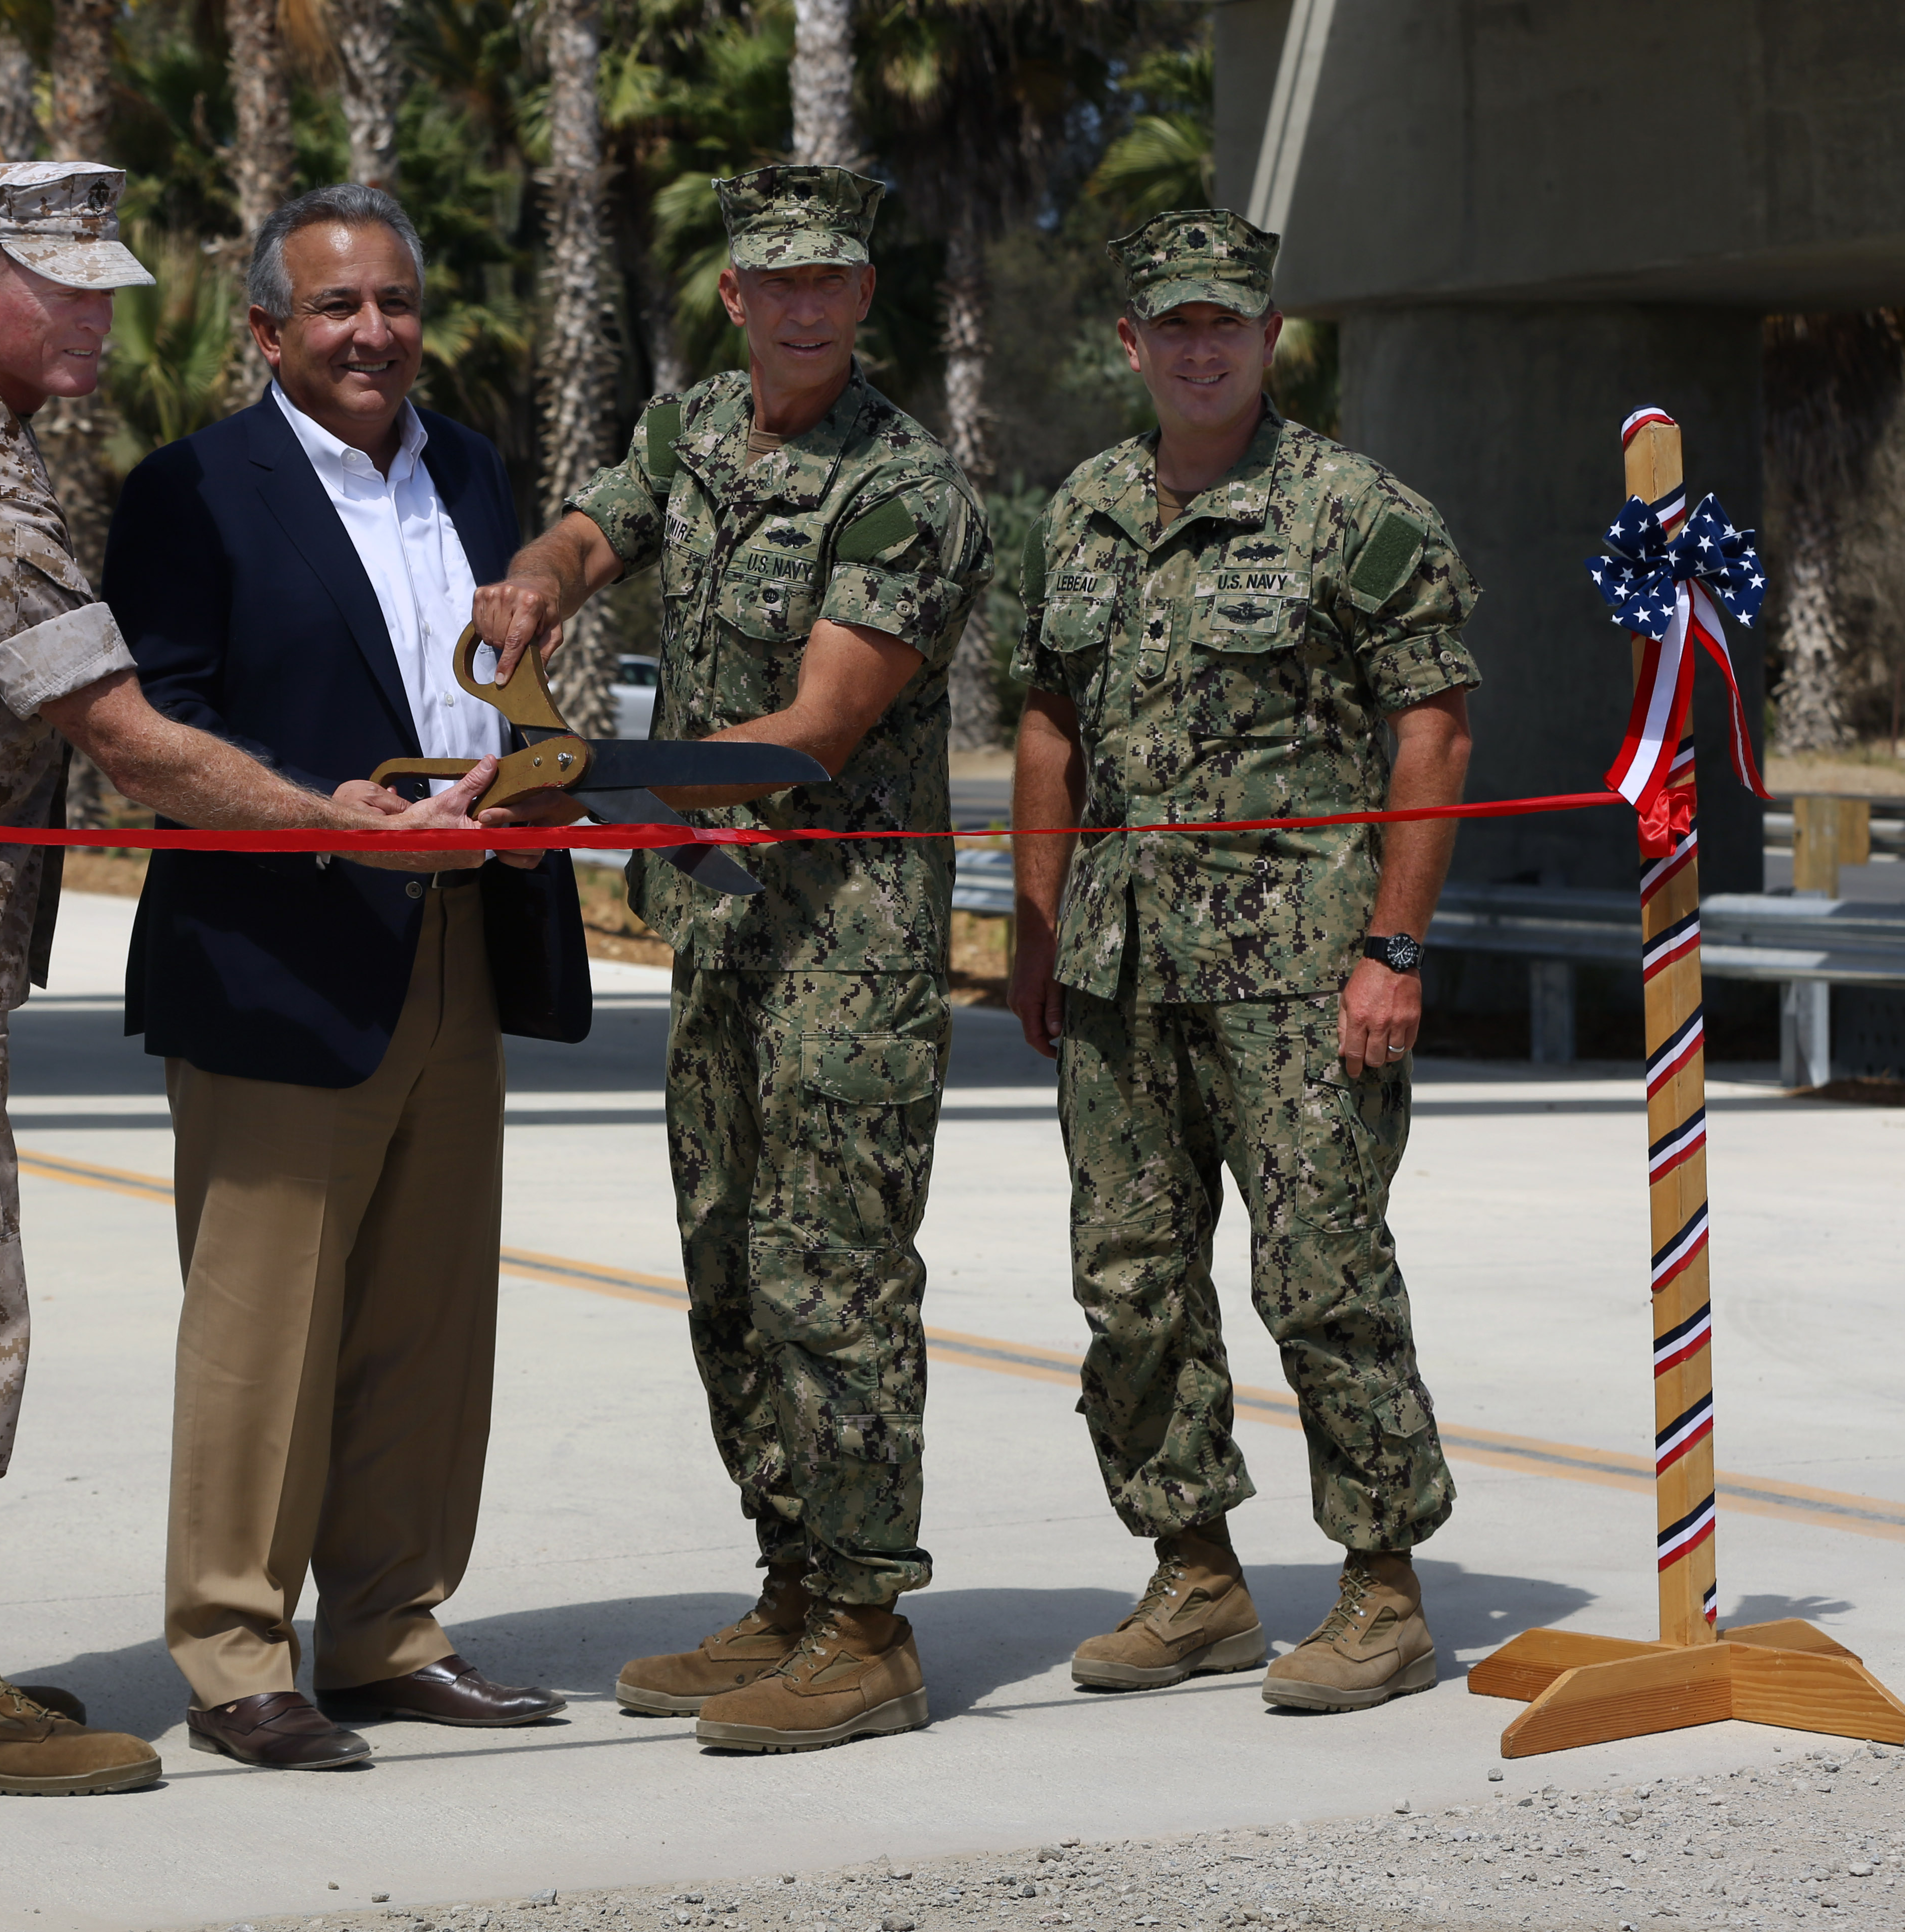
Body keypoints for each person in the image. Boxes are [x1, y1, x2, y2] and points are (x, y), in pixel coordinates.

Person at [0, 162, 498, 1799]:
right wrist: (341, 828)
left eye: (107, 288)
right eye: (62, 290)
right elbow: (124, 732)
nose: (96, 318)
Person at [472, 164, 989, 1754]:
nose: (808, 306)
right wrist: (538, 584)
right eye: (782, 282)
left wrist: (592, 778)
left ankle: (868, 1627)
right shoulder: (691, 431)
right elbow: (592, 531)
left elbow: (819, 731)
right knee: (728, 1271)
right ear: (735, 296)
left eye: (835, 280)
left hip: (848, 948)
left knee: (834, 1274)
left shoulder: (906, 488)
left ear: (865, 295)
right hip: (717, 925)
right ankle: (791, 1582)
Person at [103, 184, 591, 1772]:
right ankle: (237, 1654)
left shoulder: (473, 470)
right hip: (281, 954)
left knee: (427, 1321)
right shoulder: (190, 490)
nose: (373, 332)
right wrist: (331, 823)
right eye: (335, 307)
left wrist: (537, 775)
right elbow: (158, 730)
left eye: (395, 301)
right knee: (265, 1335)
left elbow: (498, 683)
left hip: (463, 935)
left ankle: (390, 1628)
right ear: (267, 331)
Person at [1007, 208, 1478, 1712]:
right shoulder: (1083, 510)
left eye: (1228, 322)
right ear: (1132, 343)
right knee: (1129, 1281)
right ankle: (1196, 1576)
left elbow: (1432, 731)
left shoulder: (1355, 511)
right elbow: (1047, 722)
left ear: (1271, 337)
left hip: (1297, 974)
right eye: (1175, 324)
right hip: (1118, 972)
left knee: (1324, 1275)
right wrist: (1035, 929)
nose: (1201, 348)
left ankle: (1383, 1589)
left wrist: (1393, 949)